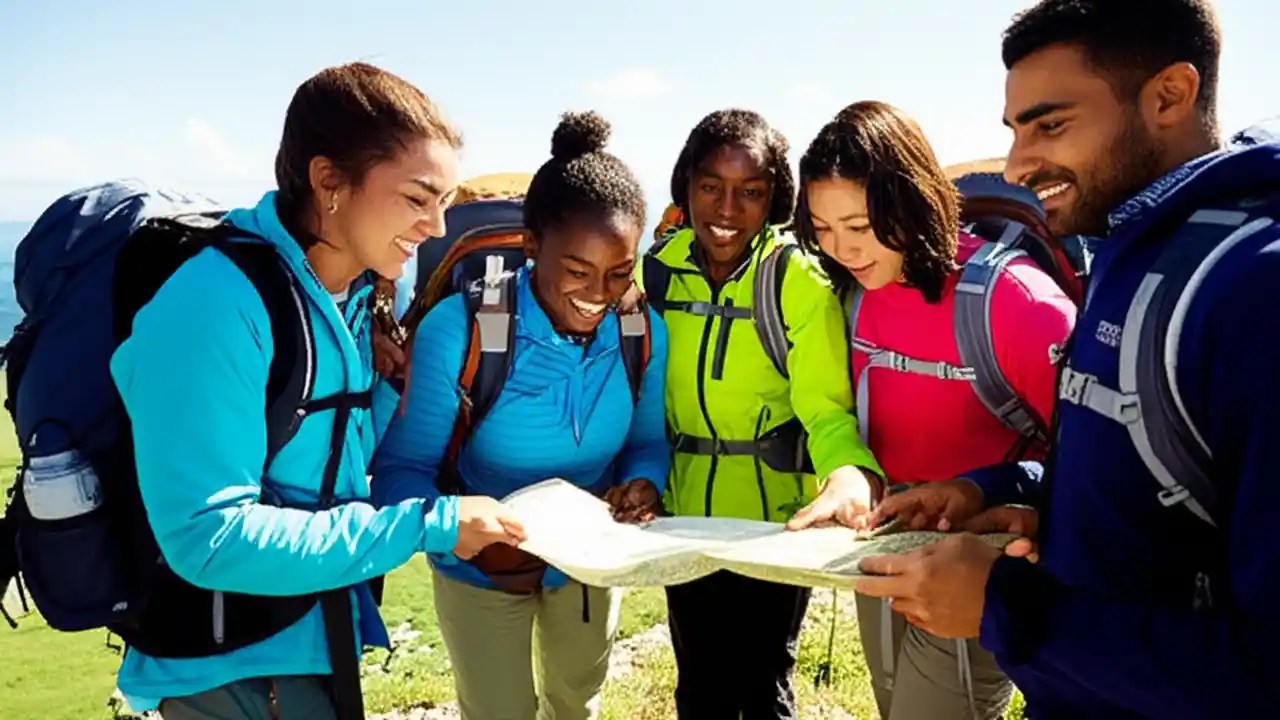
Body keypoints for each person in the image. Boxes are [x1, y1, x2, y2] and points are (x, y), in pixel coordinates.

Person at [854, 1, 1280, 718]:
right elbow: (1150, 483)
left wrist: (1007, 611)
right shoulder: (1129, 241)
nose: (1018, 165)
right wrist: (1001, 489)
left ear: (1169, 96)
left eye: (1050, 124)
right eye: (1015, 130)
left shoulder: (1255, 291)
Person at [108, 62, 524, 719]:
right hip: (231, 667)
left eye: (443, 203)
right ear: (329, 181)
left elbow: (332, 465)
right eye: (418, 198)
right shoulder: (214, 304)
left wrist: (390, 389)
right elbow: (208, 536)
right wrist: (433, 525)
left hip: (317, 637)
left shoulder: (349, 298)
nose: (437, 228)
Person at [370, 110, 669, 720]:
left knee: (576, 704)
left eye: (619, 272)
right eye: (577, 271)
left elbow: (645, 442)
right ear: (532, 246)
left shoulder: (641, 330)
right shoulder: (461, 330)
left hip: (587, 566)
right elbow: (403, 471)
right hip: (479, 573)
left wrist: (646, 484)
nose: (599, 295)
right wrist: (458, 536)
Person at [791, 100, 1076, 720]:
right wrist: (849, 474)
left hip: (980, 560)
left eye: (860, 227)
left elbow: (1100, 458)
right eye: (822, 227)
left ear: (910, 201)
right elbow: (837, 411)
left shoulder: (1015, 302)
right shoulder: (852, 292)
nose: (840, 248)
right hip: (886, 536)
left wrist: (994, 495)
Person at [641, 108, 883, 719]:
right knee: (698, 686)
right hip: (685, 516)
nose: (726, 210)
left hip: (777, 523)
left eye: (750, 192)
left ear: (775, 199)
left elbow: (826, 411)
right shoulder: (658, 274)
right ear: (685, 185)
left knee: (762, 684)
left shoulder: (795, 279)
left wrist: (847, 474)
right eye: (710, 187)